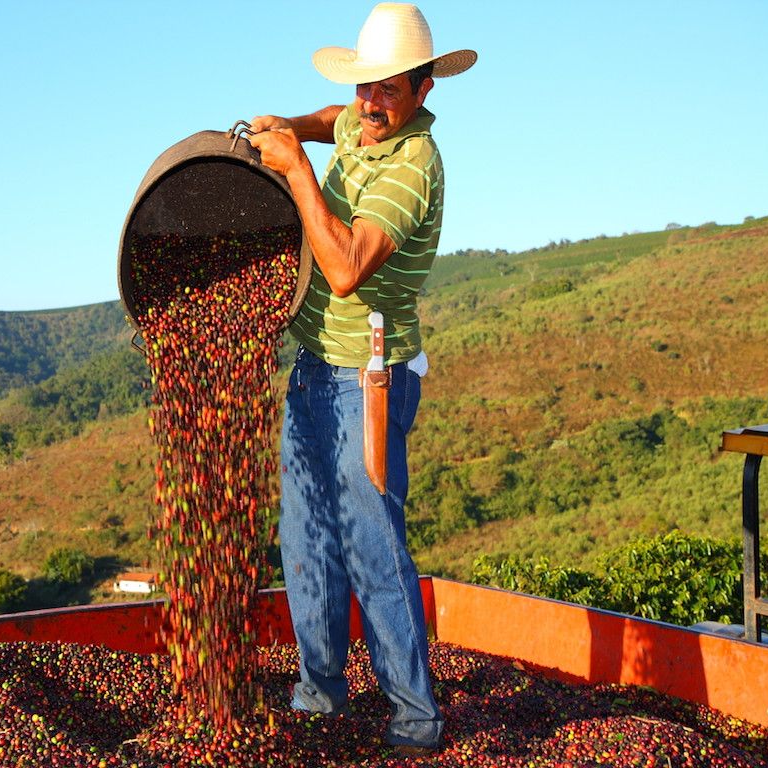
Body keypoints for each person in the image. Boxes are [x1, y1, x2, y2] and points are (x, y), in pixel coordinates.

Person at [248, 2, 476, 755]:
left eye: (389, 90)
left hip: (369, 380)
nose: (370, 105)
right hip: (313, 369)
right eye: (365, 87)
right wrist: (284, 127)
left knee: (372, 546)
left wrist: (299, 170)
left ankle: (415, 717)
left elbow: (345, 269)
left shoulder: (412, 169)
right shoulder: (358, 117)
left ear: (422, 93)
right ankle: (320, 690)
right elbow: (330, 116)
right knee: (306, 537)